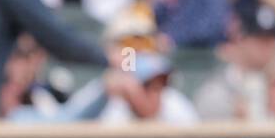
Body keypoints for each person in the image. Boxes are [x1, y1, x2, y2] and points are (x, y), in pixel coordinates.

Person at [196, 2, 275, 121]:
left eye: (274, 38)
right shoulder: (217, 88)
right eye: (261, 38)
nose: (269, 46)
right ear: (240, 39)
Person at [59, 52, 197, 124]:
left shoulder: (175, 103)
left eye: (161, 84)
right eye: (148, 85)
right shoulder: (113, 106)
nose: (156, 92)